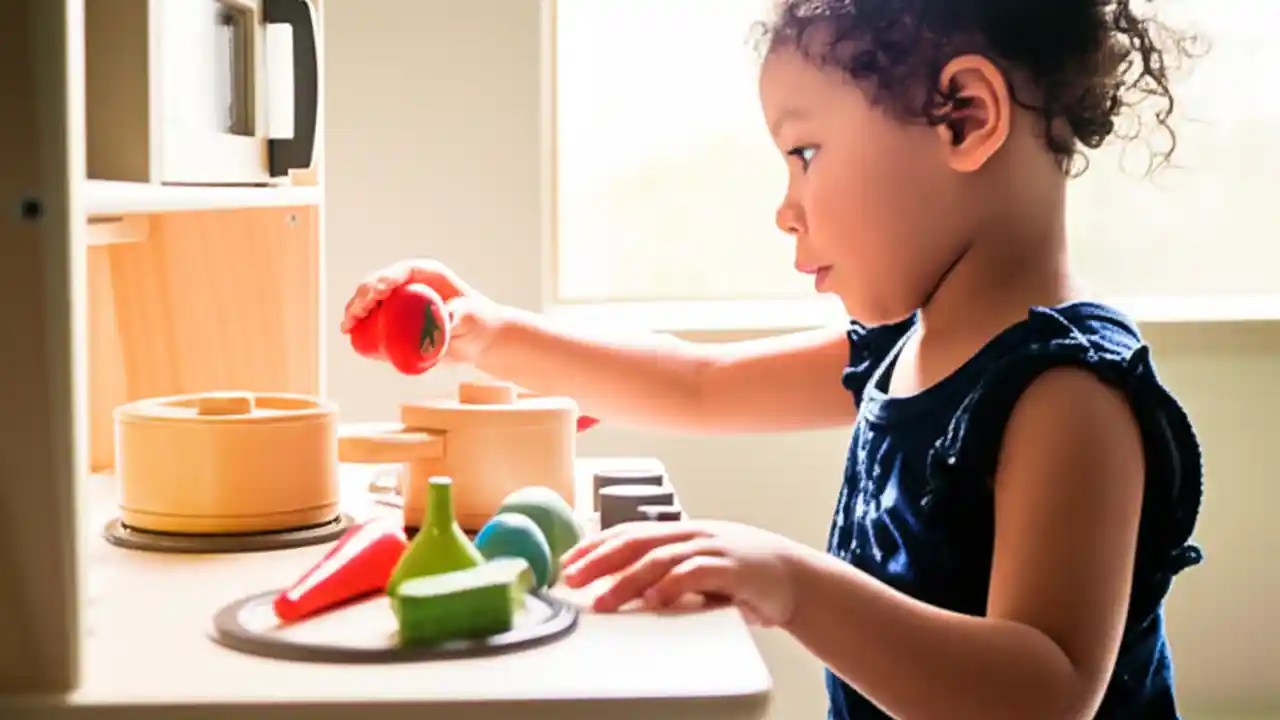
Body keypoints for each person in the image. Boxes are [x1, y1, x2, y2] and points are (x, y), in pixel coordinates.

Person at [342, 1, 1207, 717]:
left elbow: (1046, 693)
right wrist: (488, 330)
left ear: (964, 117)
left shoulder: (1067, 392)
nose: (786, 209)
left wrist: (795, 585)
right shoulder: (910, 347)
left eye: (804, 154)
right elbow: (698, 384)